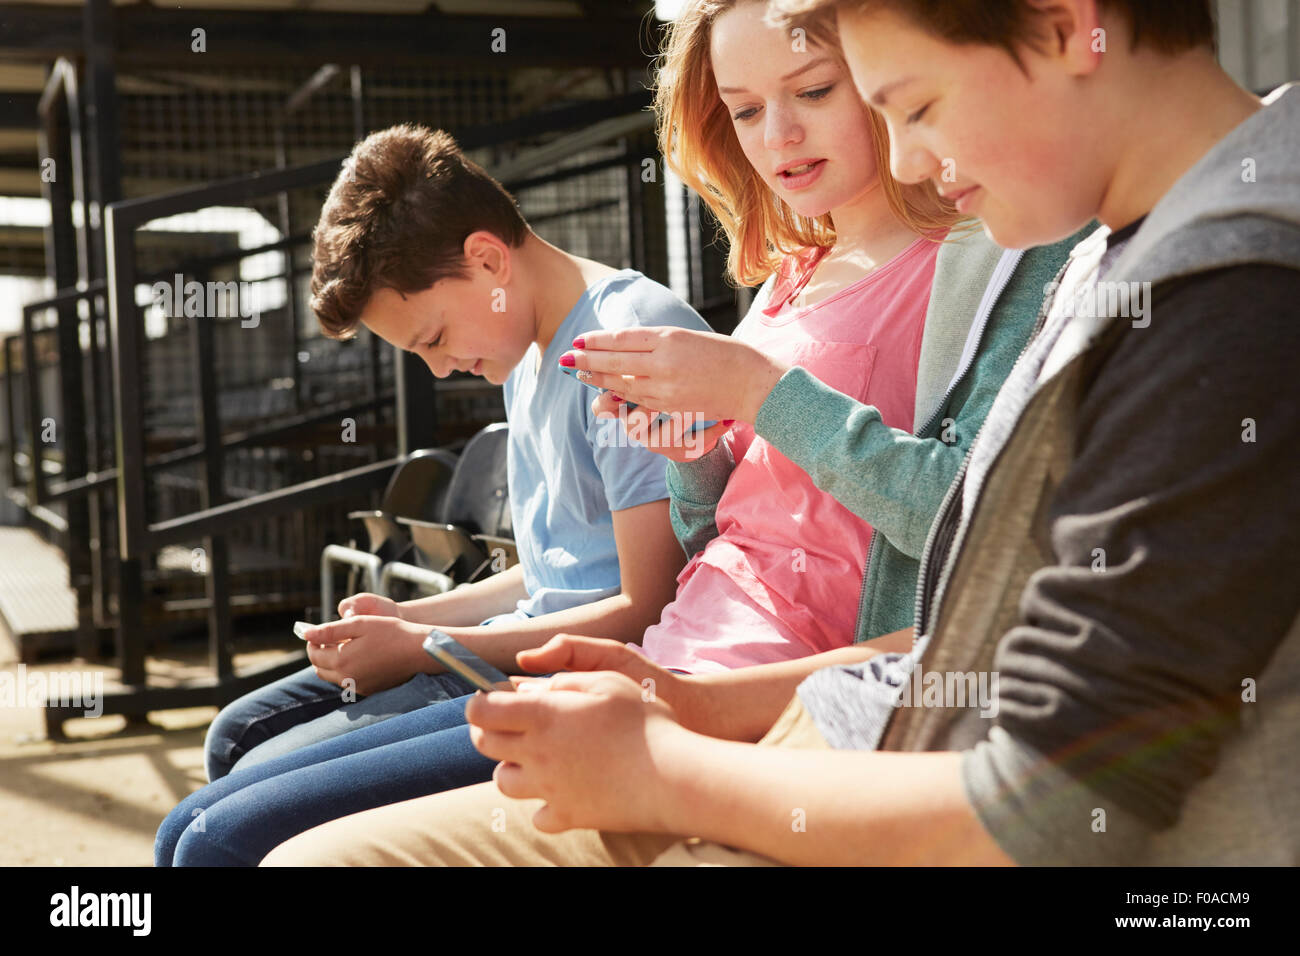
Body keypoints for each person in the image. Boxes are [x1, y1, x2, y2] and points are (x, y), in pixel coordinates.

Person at [263, 0, 1300, 866]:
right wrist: (684, 690)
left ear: (1068, 25)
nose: (909, 159)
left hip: (853, 755)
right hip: (816, 710)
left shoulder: (1215, 286)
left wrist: (671, 757)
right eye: (755, 109)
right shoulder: (1117, 249)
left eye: (910, 103)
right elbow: (965, 624)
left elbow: (1050, 795)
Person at [198, 123, 703, 781]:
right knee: (232, 738)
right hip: (507, 655)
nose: (438, 370)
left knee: (225, 820)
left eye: (433, 338)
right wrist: (407, 618)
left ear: (488, 260)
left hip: (569, 683)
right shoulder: (524, 351)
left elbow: (647, 607)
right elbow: (561, 571)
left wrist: (422, 647)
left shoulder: (625, 344)